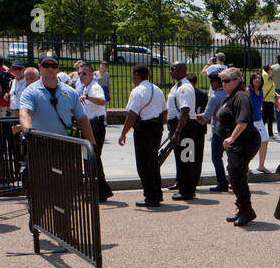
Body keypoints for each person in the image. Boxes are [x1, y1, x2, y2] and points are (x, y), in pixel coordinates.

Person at [19, 53, 98, 195]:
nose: (50, 69)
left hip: (63, 149)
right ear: (40, 67)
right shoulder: (30, 92)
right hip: (40, 148)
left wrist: (92, 145)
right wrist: (28, 131)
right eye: (46, 65)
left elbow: (82, 119)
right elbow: (25, 113)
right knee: (39, 195)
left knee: (65, 194)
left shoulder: (70, 92)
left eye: (53, 66)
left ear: (58, 68)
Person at [215, 67, 260, 226]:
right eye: (222, 81)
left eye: (226, 80)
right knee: (235, 175)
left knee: (237, 174)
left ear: (237, 81)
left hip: (244, 141)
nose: (223, 84)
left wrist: (232, 138)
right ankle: (242, 208)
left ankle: (247, 210)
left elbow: (244, 120)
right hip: (236, 143)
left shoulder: (241, 96)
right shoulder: (231, 97)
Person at [118, 64, 167, 208]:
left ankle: (150, 196)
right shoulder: (157, 89)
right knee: (153, 162)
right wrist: (159, 126)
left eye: (133, 74)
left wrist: (123, 133)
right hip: (156, 127)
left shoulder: (137, 91)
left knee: (144, 164)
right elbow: (165, 112)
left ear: (137, 74)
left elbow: (132, 115)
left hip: (144, 129)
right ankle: (157, 194)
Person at [74, 61, 112, 201]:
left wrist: (88, 97)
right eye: (79, 73)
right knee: (91, 158)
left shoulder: (94, 87)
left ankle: (100, 191)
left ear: (91, 74)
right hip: (88, 125)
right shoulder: (85, 87)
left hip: (95, 126)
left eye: (84, 73)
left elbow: (102, 101)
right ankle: (100, 190)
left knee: (93, 158)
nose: (81, 76)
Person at [164, 62, 200, 200]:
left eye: (173, 69)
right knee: (182, 159)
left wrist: (178, 131)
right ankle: (183, 186)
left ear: (181, 70)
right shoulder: (178, 86)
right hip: (180, 126)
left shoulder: (184, 88)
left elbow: (185, 110)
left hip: (185, 128)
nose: (170, 71)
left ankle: (187, 191)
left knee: (186, 159)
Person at [200, 72, 229, 192]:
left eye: (212, 82)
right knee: (231, 158)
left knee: (216, 157)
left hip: (218, 131)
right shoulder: (229, 94)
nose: (210, 84)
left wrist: (193, 116)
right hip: (231, 131)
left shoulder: (215, 97)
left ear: (216, 82)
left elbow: (206, 116)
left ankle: (222, 182)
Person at [248, 71, 271, 171]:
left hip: (258, 120)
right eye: (255, 78)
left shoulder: (261, 91)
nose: (258, 80)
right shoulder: (248, 90)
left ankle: (261, 166)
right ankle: (246, 166)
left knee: (264, 141)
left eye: (259, 78)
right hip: (249, 121)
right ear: (252, 80)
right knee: (249, 144)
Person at [259, 65, 276, 141]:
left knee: (269, 118)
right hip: (267, 100)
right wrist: (264, 70)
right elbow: (263, 74)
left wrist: (276, 94)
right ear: (268, 70)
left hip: (270, 100)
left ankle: (270, 134)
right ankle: (261, 133)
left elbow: (270, 88)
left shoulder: (269, 78)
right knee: (266, 118)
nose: (272, 71)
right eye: (271, 69)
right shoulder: (265, 76)